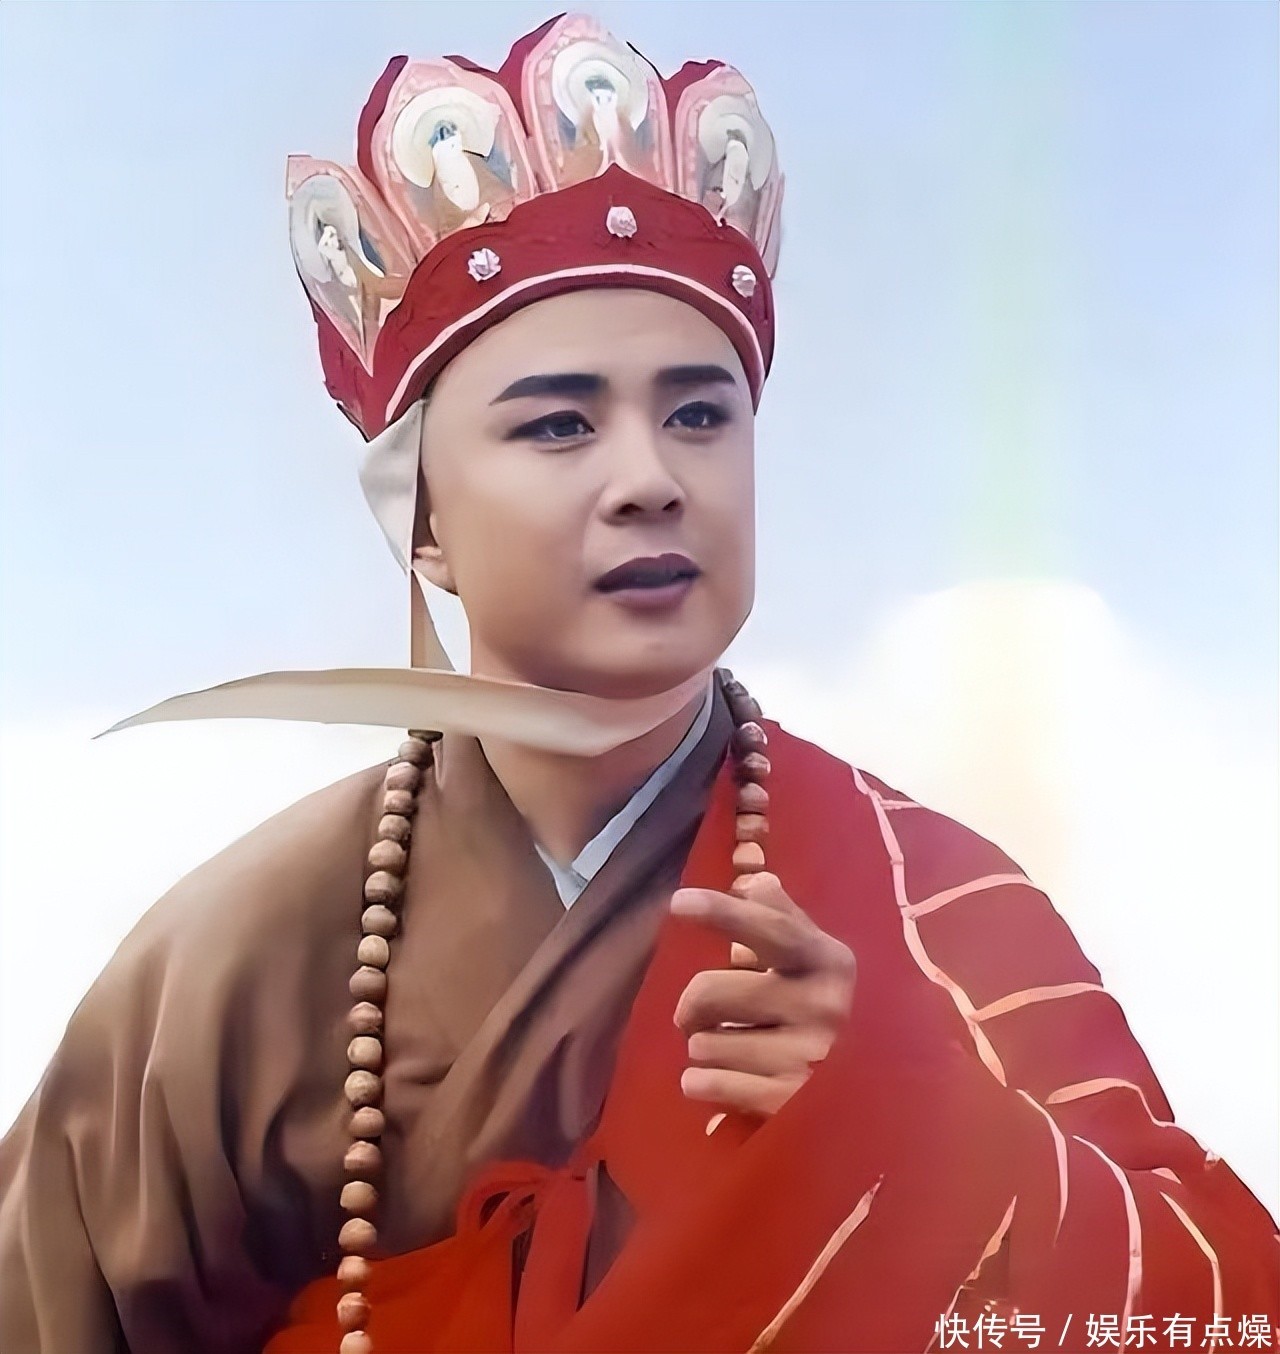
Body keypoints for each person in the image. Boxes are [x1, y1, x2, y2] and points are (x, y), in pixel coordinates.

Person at [1, 14, 1276, 1354]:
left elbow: (1217, 1311)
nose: (651, 478)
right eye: (560, 423)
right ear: (423, 523)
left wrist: (906, 1113)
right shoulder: (237, 959)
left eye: (700, 414)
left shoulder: (932, 906)